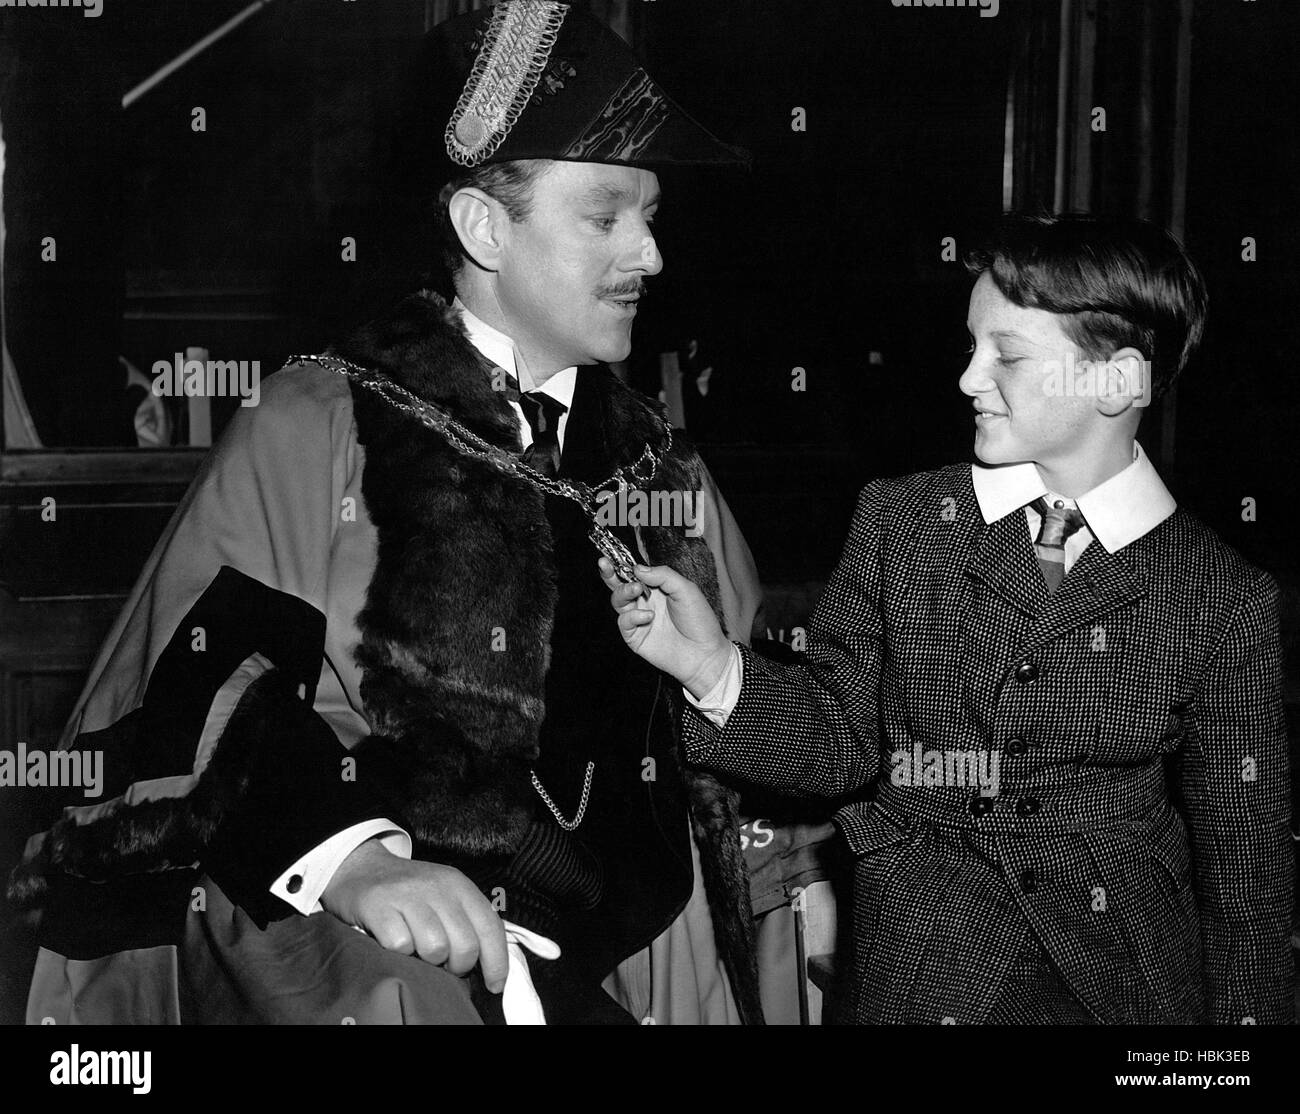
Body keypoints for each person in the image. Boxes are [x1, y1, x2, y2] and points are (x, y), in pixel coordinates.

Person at [11, 1, 767, 1026]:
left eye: (651, 216)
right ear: (481, 227)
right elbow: (194, 687)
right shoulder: (319, 423)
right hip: (384, 957)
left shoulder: (658, 463)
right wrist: (354, 861)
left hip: (643, 954)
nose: (650, 256)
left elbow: (742, 721)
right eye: (605, 217)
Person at [604, 214, 1295, 1024]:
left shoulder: (1220, 596)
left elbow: (1245, 871)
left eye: (1006, 354)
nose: (969, 378)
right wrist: (711, 667)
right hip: (925, 967)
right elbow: (841, 735)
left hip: (1123, 985)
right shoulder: (904, 523)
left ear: (1117, 382)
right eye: (971, 348)